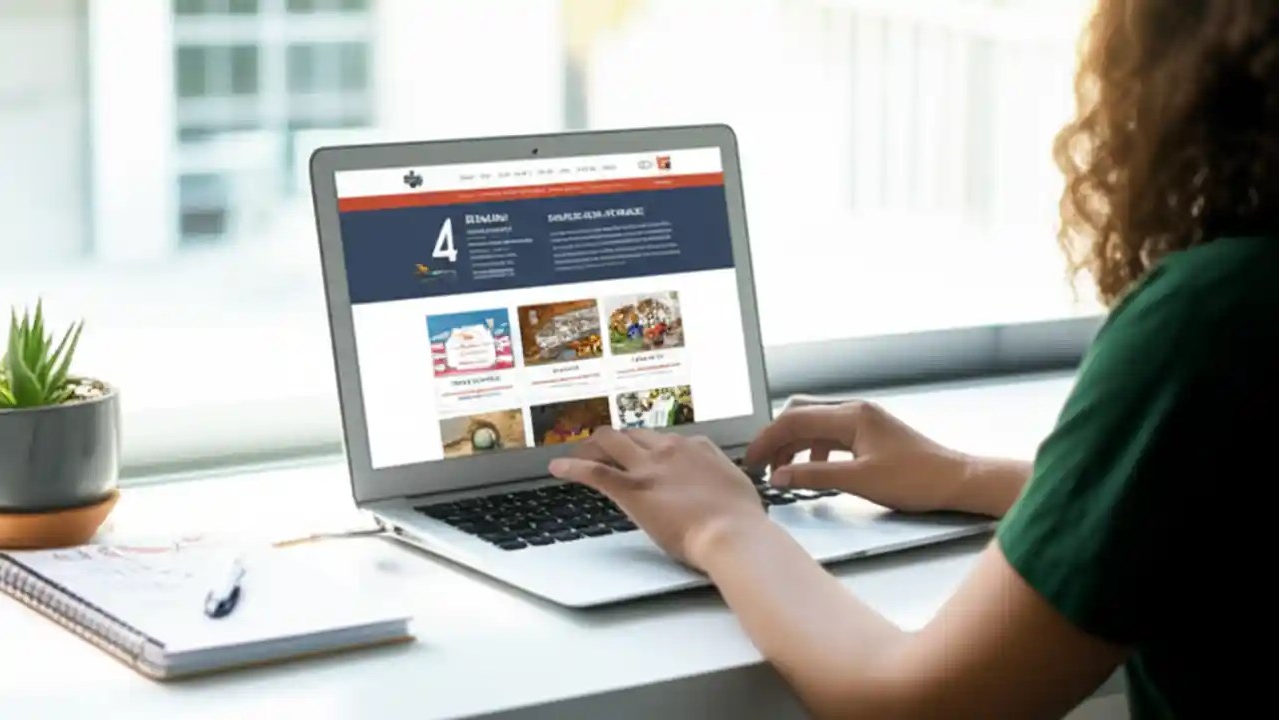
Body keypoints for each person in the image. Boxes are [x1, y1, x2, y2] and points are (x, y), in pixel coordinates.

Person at [548, 1, 1279, 718]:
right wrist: (962, 476)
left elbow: (917, 706)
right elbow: (1217, 506)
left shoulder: (1217, 315)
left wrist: (723, 526)